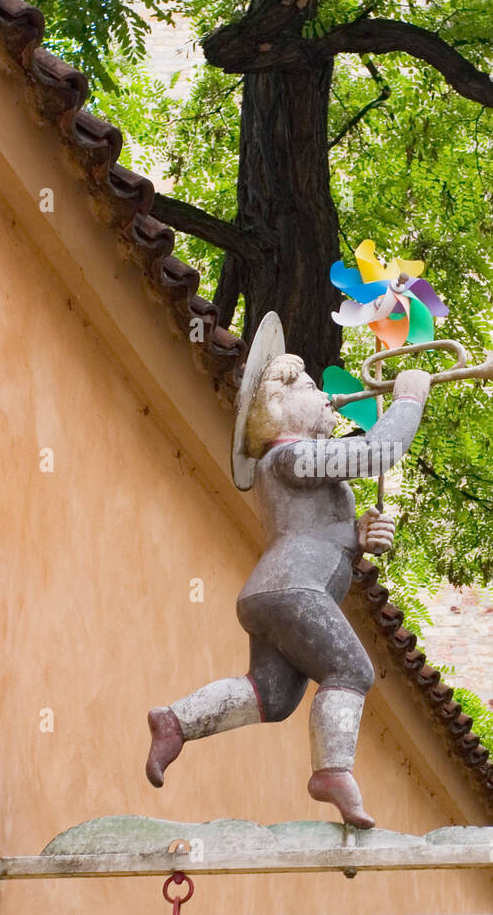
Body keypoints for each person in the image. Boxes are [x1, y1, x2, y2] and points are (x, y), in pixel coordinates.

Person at [145, 326, 430, 829]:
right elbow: (375, 454)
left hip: (273, 594)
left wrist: (357, 535)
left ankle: (176, 721)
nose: (326, 396)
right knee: (351, 670)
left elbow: (315, 528)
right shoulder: (291, 454)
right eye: (311, 388)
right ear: (278, 403)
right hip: (293, 590)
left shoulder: (292, 463)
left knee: (272, 697)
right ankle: (331, 772)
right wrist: (407, 400)